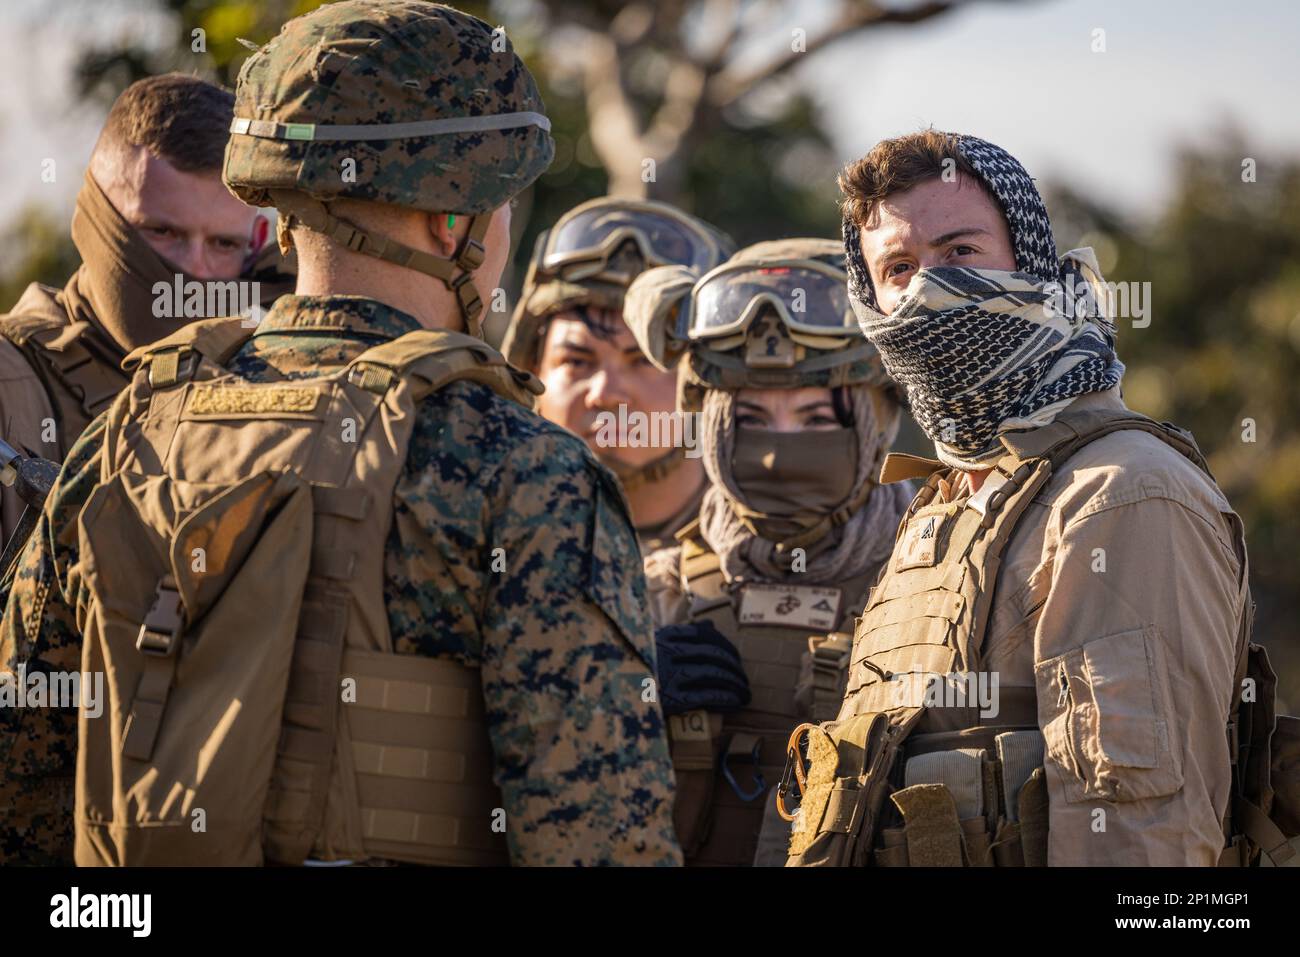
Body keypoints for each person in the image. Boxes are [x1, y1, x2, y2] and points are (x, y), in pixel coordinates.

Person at [0, 0, 679, 867]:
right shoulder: (525, 471)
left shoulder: (124, 431)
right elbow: (599, 846)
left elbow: (24, 790)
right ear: (455, 225)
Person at [786, 129, 1256, 867]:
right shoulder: (944, 501)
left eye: (961, 253)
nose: (927, 291)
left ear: (1030, 262)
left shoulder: (1121, 494)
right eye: (898, 268)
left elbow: (1141, 837)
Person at [624, 238, 913, 865]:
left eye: (815, 420)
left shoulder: (937, 589)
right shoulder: (651, 592)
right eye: (751, 419)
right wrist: (619, 693)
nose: (779, 454)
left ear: (878, 421)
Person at [0, 73, 292, 543]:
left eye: (223, 242)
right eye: (163, 233)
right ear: (98, 219)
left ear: (257, 244)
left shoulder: (279, 368)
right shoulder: (12, 390)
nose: (194, 272)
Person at [501, 198, 733, 553]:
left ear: (703, 383)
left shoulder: (762, 548)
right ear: (532, 370)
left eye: (645, 360)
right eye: (576, 361)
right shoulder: (485, 530)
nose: (606, 393)